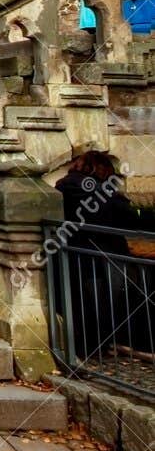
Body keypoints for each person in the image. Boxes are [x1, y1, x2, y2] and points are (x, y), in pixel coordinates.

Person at [54, 151, 155, 358]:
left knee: (85, 304)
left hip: (72, 260)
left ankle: (91, 348)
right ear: (101, 170)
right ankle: (137, 343)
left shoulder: (62, 188)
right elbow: (131, 219)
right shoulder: (104, 193)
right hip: (105, 260)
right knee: (143, 284)